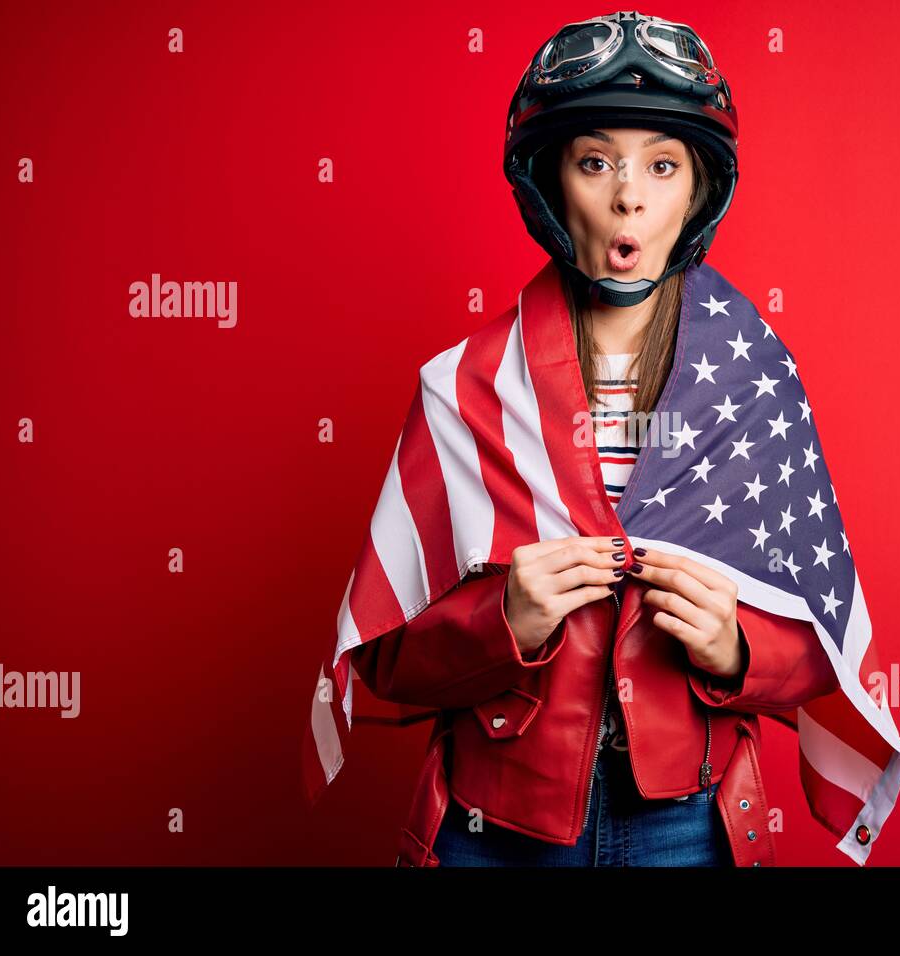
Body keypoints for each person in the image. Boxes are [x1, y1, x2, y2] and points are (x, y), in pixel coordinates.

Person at [348, 12, 851, 867]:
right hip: (498, 825)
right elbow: (385, 664)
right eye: (595, 162)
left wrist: (737, 647)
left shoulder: (753, 384)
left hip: (687, 825)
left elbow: (827, 648)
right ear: (551, 186)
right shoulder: (465, 386)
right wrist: (501, 622)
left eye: (662, 165)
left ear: (698, 192)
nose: (629, 195)